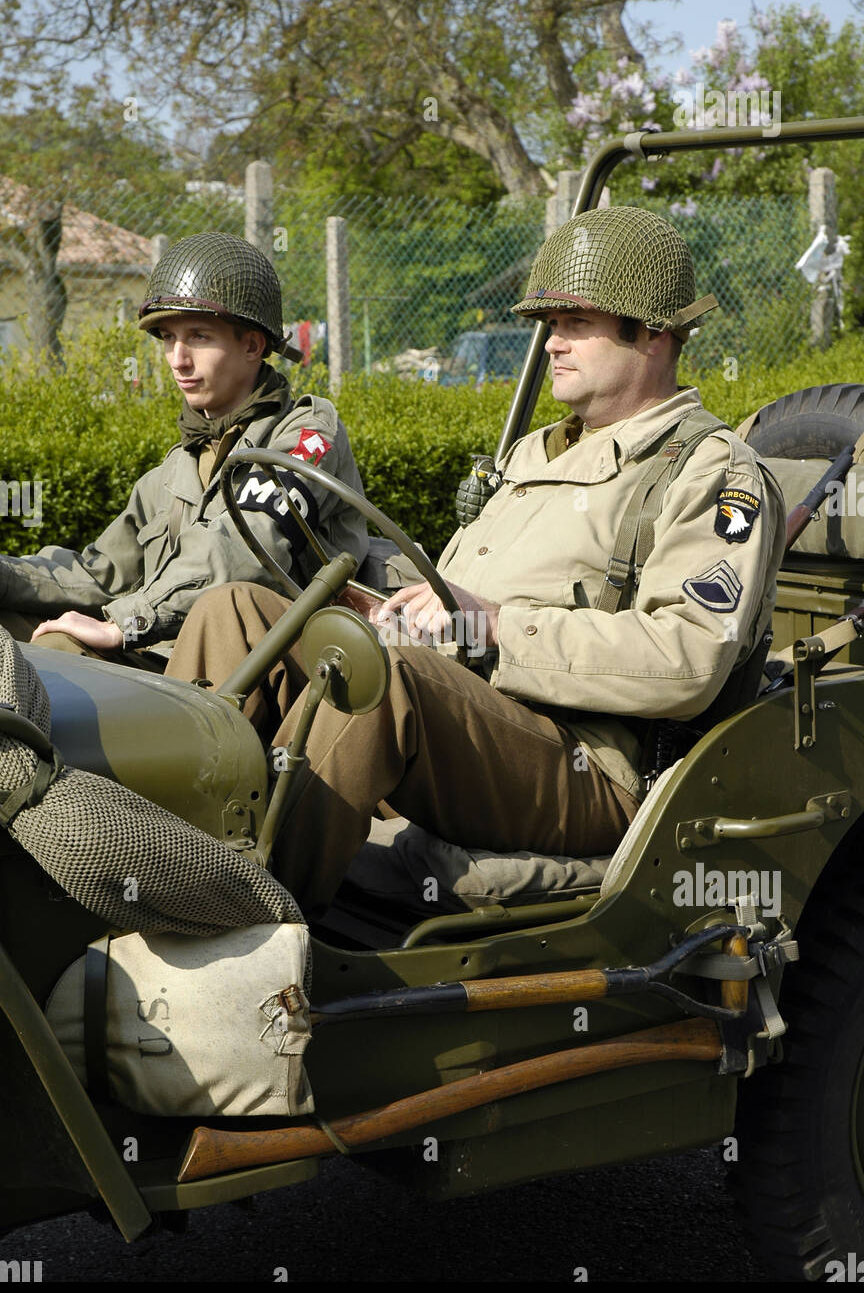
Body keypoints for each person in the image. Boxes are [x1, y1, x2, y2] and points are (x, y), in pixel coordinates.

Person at [165, 206, 787, 913]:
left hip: (593, 764)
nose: (552, 344)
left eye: (575, 323)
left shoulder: (709, 470)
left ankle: (245, 921)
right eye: (551, 325)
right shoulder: (538, 452)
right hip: (479, 712)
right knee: (237, 610)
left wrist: (494, 626)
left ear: (651, 333)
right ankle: (166, 857)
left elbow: (688, 659)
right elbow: (464, 597)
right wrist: (384, 608)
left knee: (382, 676)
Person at [0, 232, 368, 666]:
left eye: (197, 336)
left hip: (262, 672)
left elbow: (245, 545)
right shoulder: (174, 472)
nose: (177, 359)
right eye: (167, 337)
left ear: (252, 345)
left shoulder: (307, 434)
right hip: (169, 658)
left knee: (60, 651)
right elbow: (101, 573)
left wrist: (125, 622)